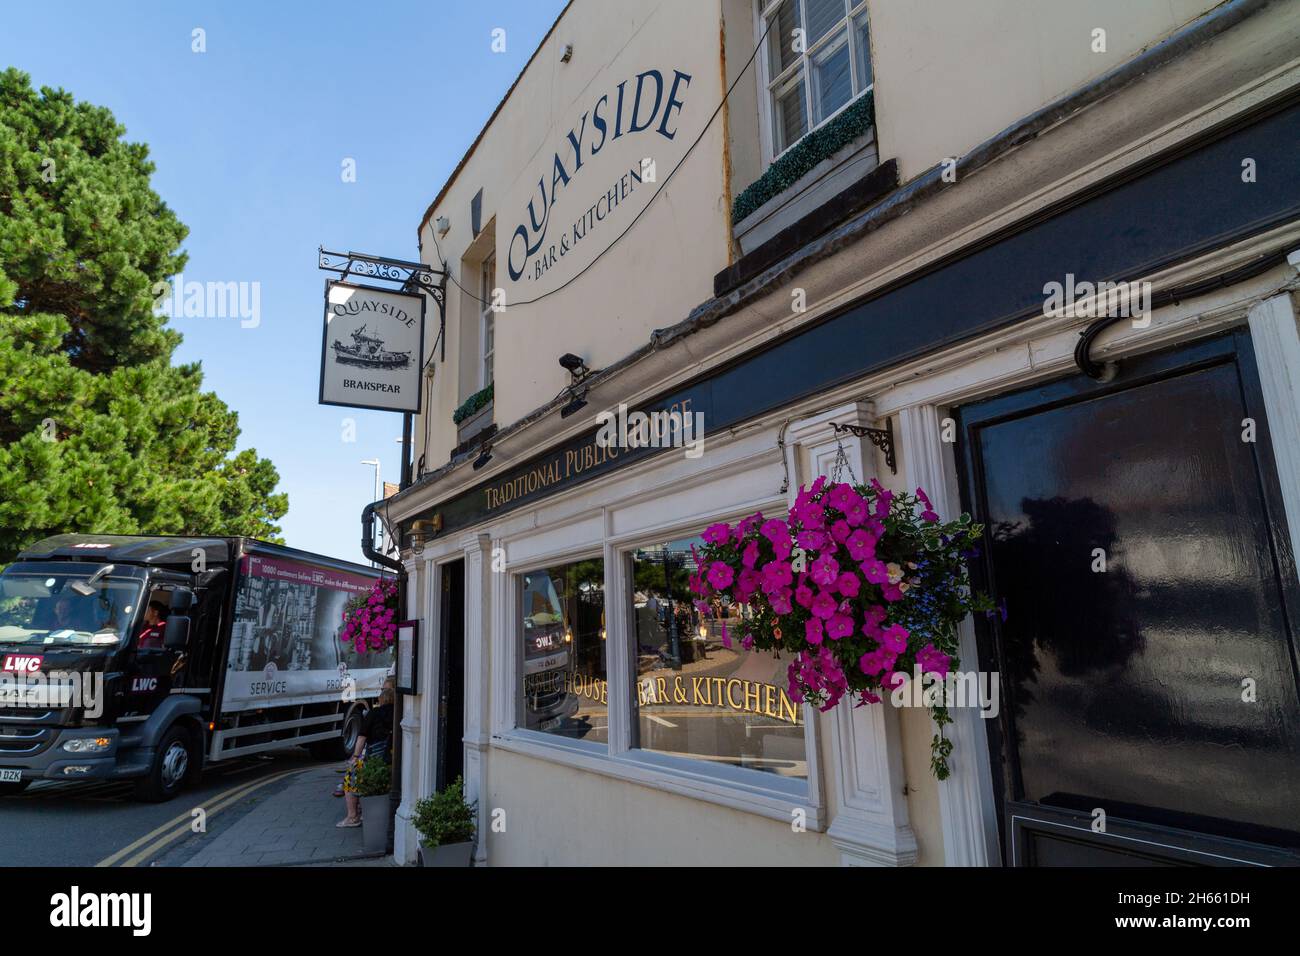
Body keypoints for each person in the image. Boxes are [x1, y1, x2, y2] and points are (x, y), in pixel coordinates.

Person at [336, 677, 395, 828]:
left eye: (384, 690)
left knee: (351, 776)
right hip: (394, 759)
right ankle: (362, 811)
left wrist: (355, 757)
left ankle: (353, 816)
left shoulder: (374, 714)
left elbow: (362, 738)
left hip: (376, 760)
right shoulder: (399, 712)